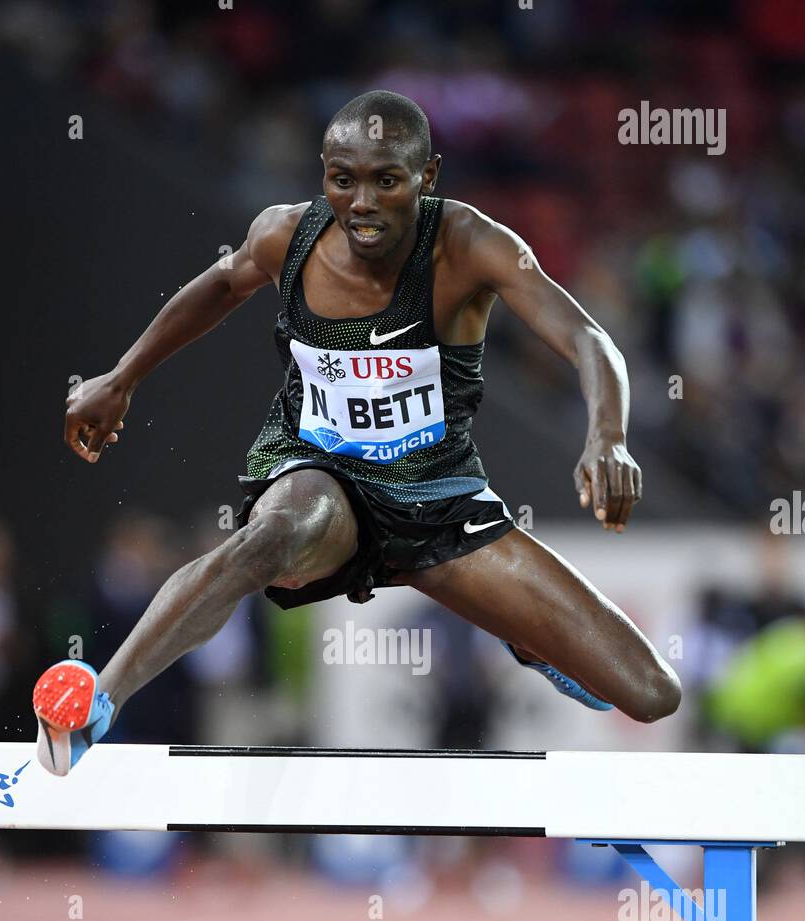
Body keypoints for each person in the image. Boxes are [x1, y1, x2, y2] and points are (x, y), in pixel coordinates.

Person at [35, 89, 680, 775]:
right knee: (267, 538)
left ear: (427, 177)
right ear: (323, 175)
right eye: (343, 181)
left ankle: (526, 637)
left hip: (439, 501)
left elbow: (587, 336)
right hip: (321, 474)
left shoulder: (471, 245)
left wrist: (607, 435)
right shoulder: (287, 235)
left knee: (650, 693)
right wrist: (122, 376)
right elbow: (221, 286)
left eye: (386, 181)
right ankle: (97, 701)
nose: (363, 204)